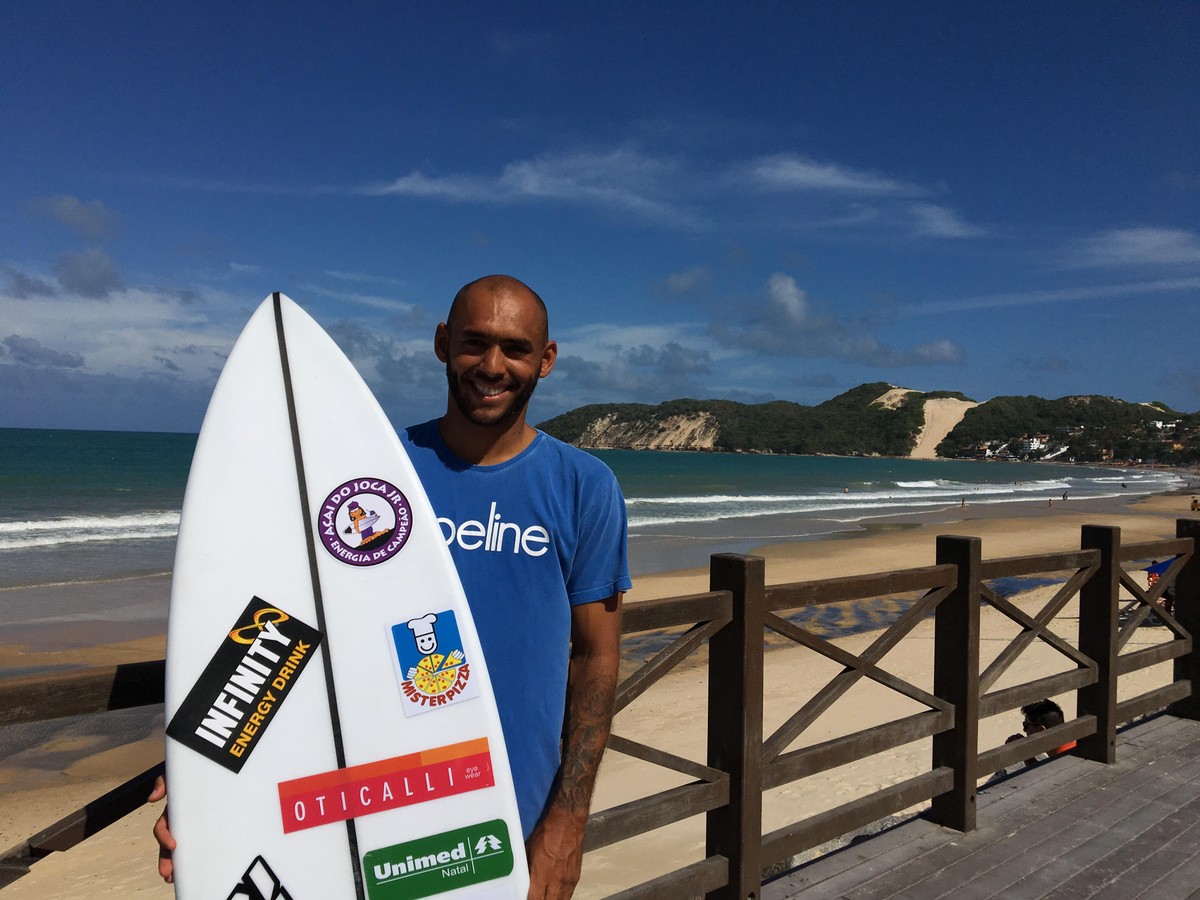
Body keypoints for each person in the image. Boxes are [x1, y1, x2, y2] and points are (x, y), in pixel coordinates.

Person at [152, 275, 631, 898]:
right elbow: (280, 625)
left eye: (514, 349)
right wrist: (207, 779)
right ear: (441, 343)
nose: (492, 366)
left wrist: (567, 823)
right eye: (474, 343)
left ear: (545, 359)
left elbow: (597, 658)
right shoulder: (374, 476)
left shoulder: (583, 487)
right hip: (368, 818)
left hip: (512, 823)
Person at [1003, 699, 1076, 768]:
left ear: (1041, 730)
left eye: (1026, 726)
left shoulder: (1062, 761)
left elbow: (1047, 776)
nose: (1024, 730)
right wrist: (1026, 753)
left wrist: (1025, 753)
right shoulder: (1071, 747)